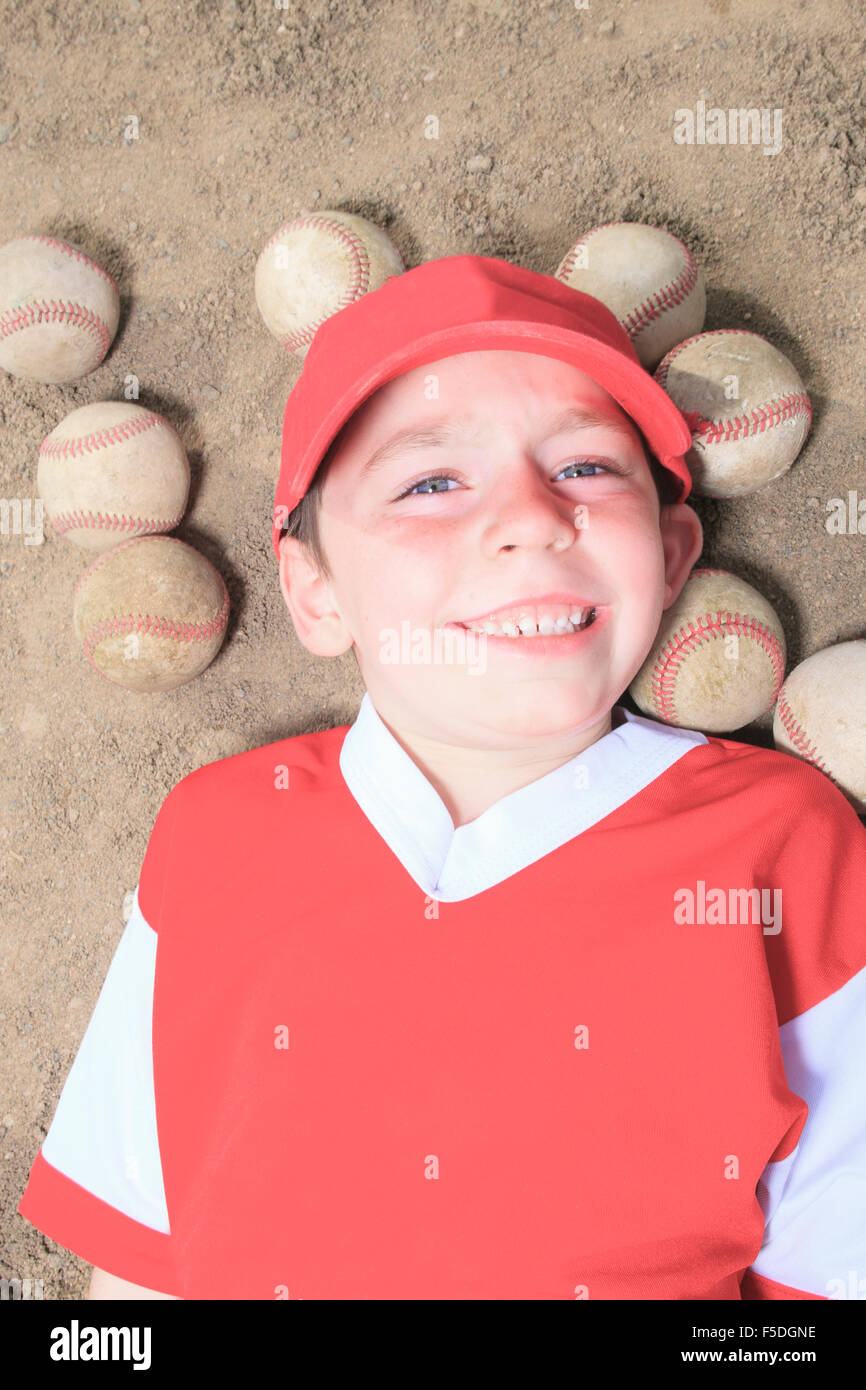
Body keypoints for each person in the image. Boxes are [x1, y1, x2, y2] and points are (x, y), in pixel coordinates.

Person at [17, 255, 866, 1300]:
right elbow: (139, 1271)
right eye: (430, 482)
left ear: (672, 551)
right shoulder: (217, 830)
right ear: (316, 593)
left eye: (588, 469)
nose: (529, 517)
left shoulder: (781, 840)